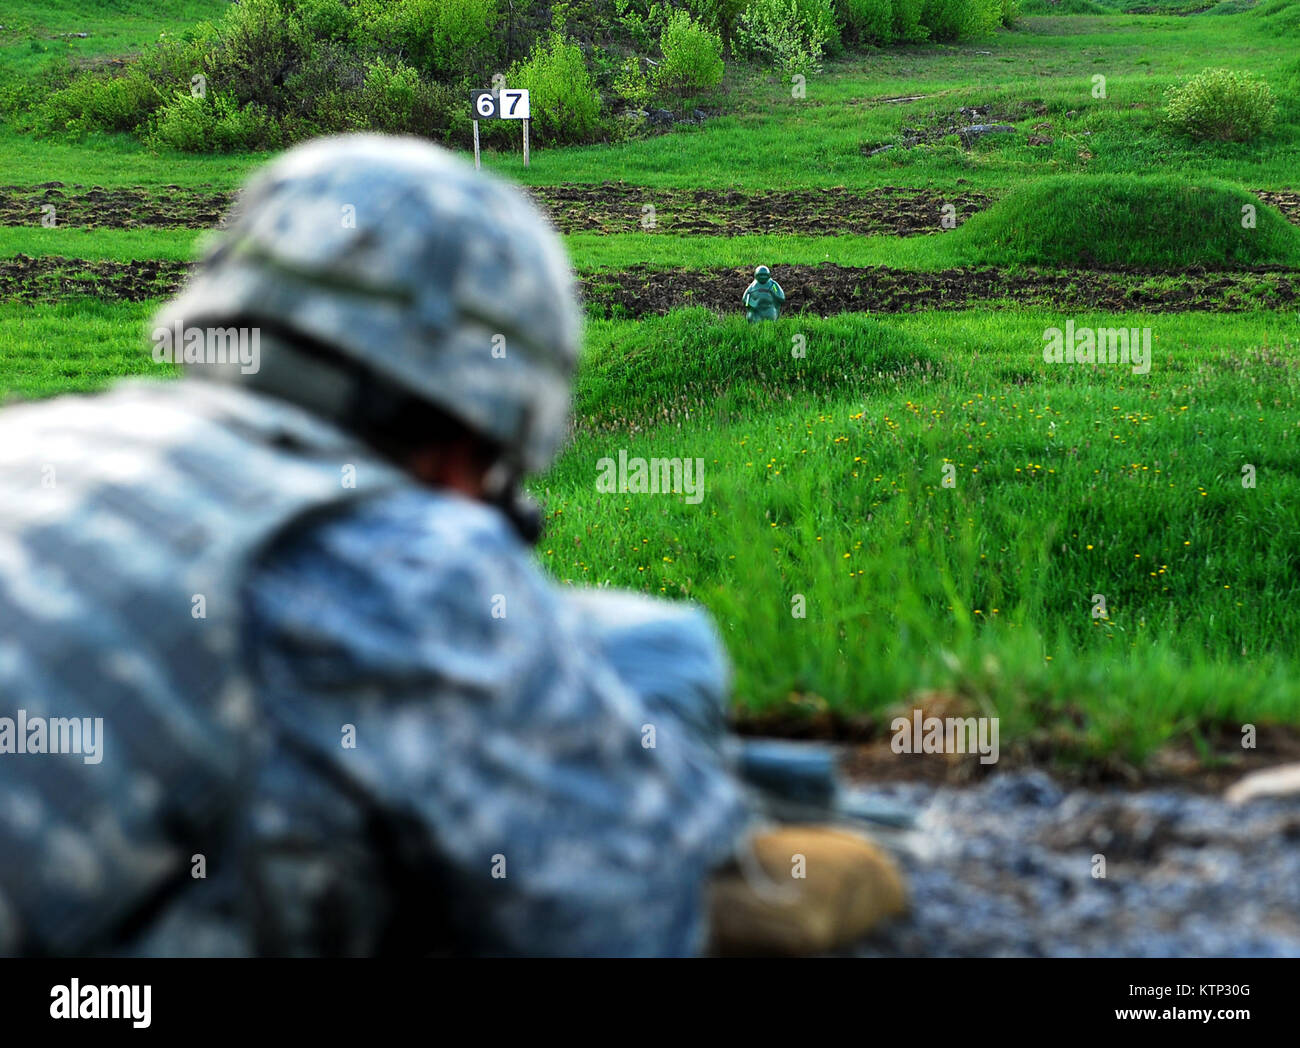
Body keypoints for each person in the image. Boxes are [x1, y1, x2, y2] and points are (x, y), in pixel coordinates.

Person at [0, 135, 902, 957]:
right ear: (475, 429)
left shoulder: (34, 439)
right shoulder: (398, 561)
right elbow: (624, 918)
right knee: (653, 653)